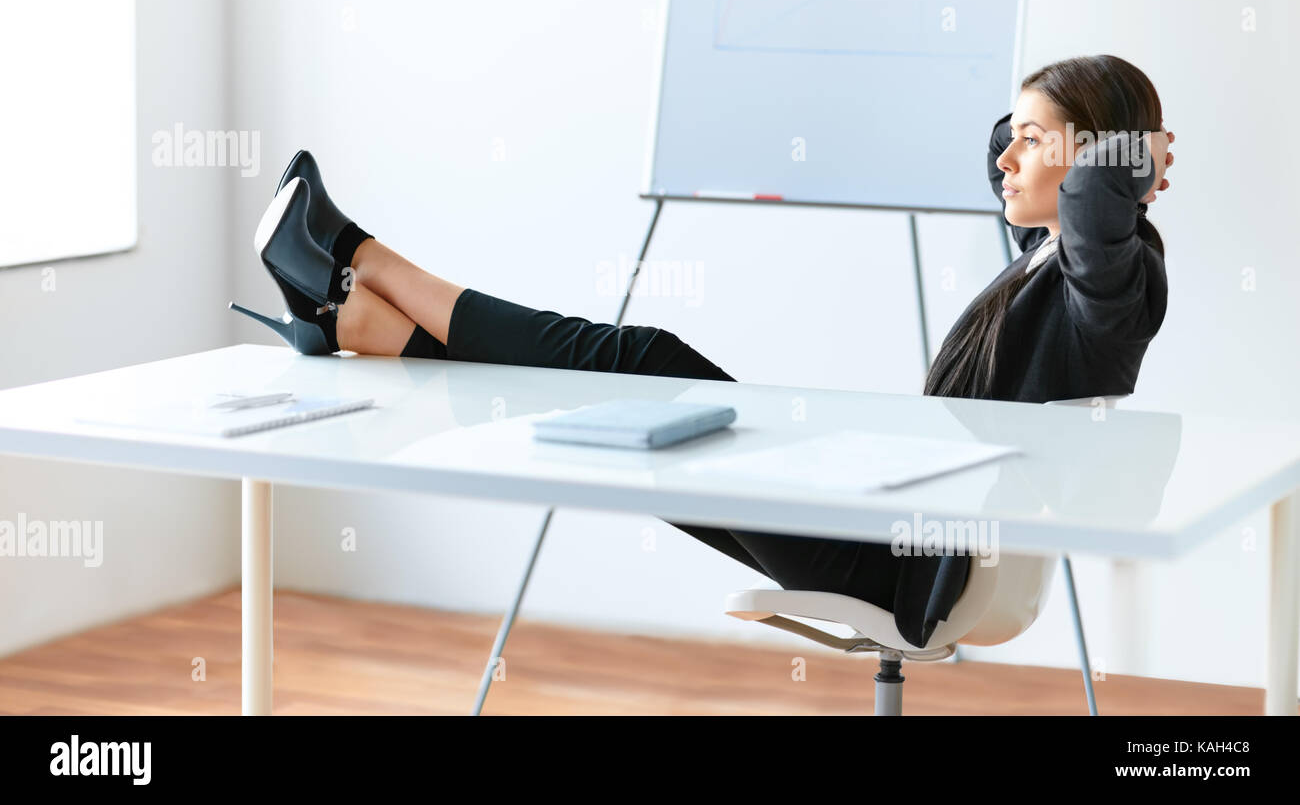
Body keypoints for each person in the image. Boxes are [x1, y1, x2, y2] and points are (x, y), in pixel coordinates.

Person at [232, 53, 1174, 649]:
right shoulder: (1044, 259)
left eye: (1036, 141)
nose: (1008, 157)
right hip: (893, 526)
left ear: (1099, 163)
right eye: (1010, 137)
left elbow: (1099, 219)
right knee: (626, 399)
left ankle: (357, 263)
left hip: (905, 556)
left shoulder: (1112, 288)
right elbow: (1010, 167)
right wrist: (1047, 140)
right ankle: (368, 320)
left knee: (645, 361)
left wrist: (1123, 160)